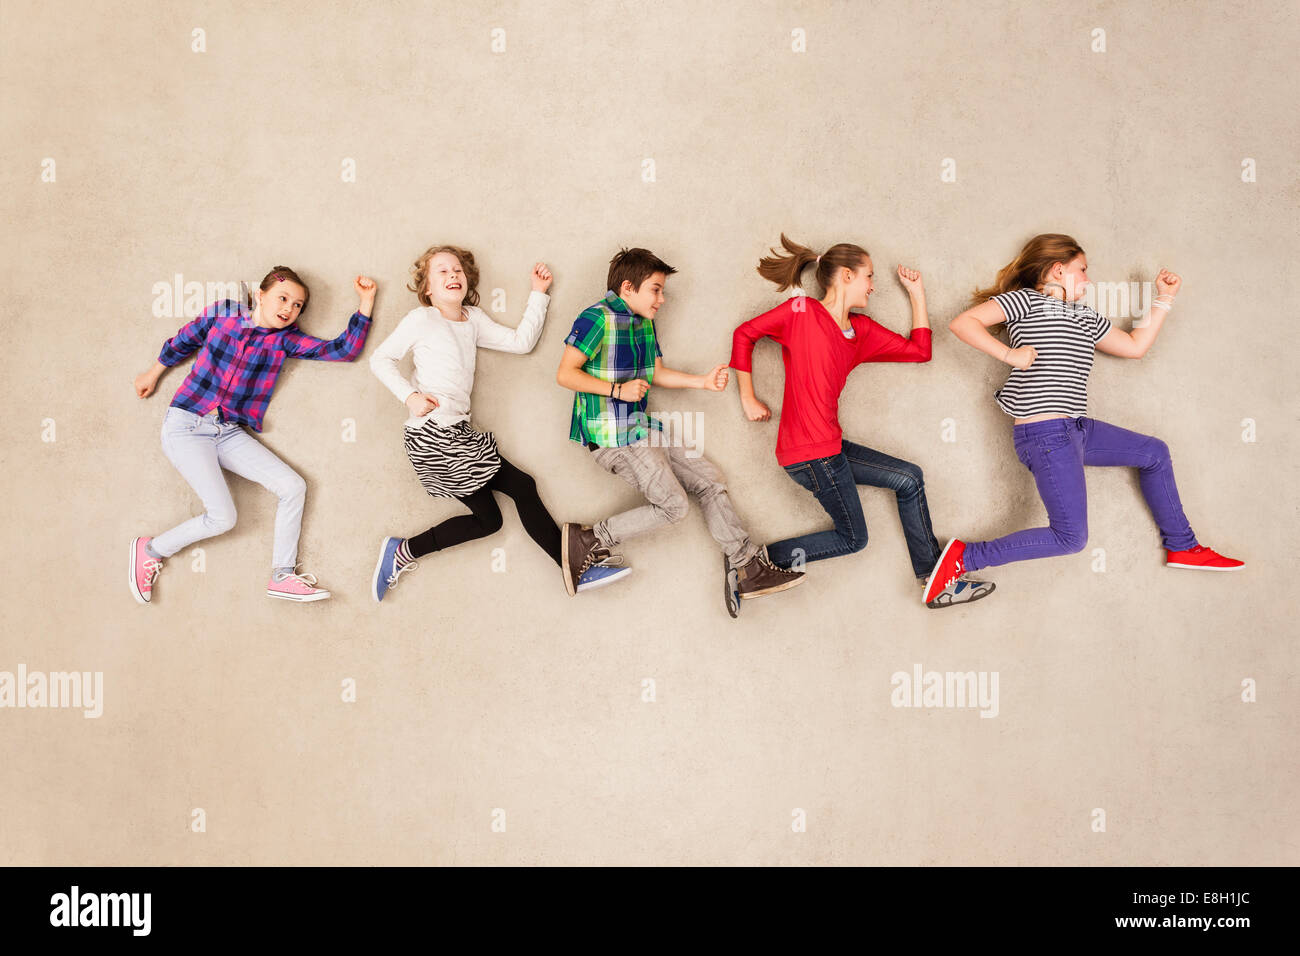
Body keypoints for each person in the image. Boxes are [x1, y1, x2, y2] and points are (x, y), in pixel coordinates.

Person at [924, 233, 1243, 605]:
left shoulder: (1086, 317)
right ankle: (965, 557)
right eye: (1083, 270)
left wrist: (1165, 298)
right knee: (1070, 538)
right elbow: (964, 323)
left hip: (1076, 429)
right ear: (1058, 270)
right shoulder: (1024, 301)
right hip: (1044, 434)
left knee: (1155, 453)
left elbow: (1135, 346)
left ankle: (1183, 547)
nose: (1089, 280)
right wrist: (1011, 355)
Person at [732, 234, 994, 608]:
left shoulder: (861, 332)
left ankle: (933, 579)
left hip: (831, 450)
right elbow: (745, 334)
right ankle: (754, 562)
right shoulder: (801, 311)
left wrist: (917, 294)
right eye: (869, 276)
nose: (873, 285)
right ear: (845, 276)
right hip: (809, 455)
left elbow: (920, 352)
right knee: (853, 539)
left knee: (909, 478)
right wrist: (748, 397)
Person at [369, 245, 631, 601]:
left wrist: (538, 295)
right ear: (427, 288)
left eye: (457, 270)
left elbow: (520, 343)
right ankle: (573, 568)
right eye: (442, 271)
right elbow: (381, 359)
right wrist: (410, 397)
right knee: (522, 486)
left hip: (456, 433)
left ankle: (402, 551)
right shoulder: (422, 319)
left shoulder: (472, 320)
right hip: (431, 435)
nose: (453, 275)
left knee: (489, 521)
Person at [556, 246, 804, 608]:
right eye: (656, 289)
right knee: (673, 506)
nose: (662, 298)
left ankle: (748, 568)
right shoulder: (597, 318)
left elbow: (655, 373)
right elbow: (565, 374)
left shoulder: (643, 322)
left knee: (710, 481)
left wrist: (702, 382)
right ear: (628, 287)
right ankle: (591, 539)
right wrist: (616, 390)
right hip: (613, 437)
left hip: (641, 428)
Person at [129, 267, 374, 603]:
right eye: (283, 298)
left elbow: (343, 350)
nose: (289, 309)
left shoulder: (285, 340)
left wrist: (366, 302)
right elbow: (184, 340)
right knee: (223, 517)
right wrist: (153, 373)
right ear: (261, 295)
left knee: (293, 486)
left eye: (298, 305)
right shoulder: (225, 313)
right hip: (186, 425)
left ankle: (282, 576)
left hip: (227, 431)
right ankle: (152, 549)